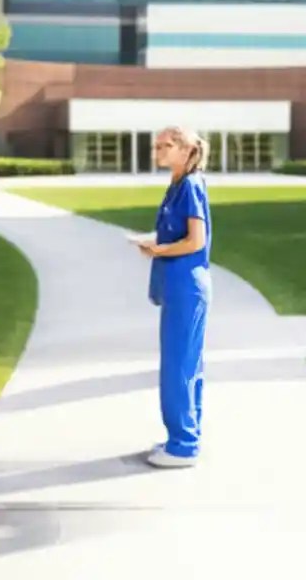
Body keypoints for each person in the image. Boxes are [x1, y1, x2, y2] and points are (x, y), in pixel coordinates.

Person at [136, 126, 213, 469]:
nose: (158, 151)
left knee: (178, 366)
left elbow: (196, 241)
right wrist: (157, 243)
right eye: (156, 146)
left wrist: (159, 249)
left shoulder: (191, 186)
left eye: (165, 146)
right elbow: (176, 233)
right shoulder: (178, 184)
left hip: (187, 287)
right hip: (180, 285)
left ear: (185, 150)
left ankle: (182, 446)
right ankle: (184, 437)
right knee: (187, 364)